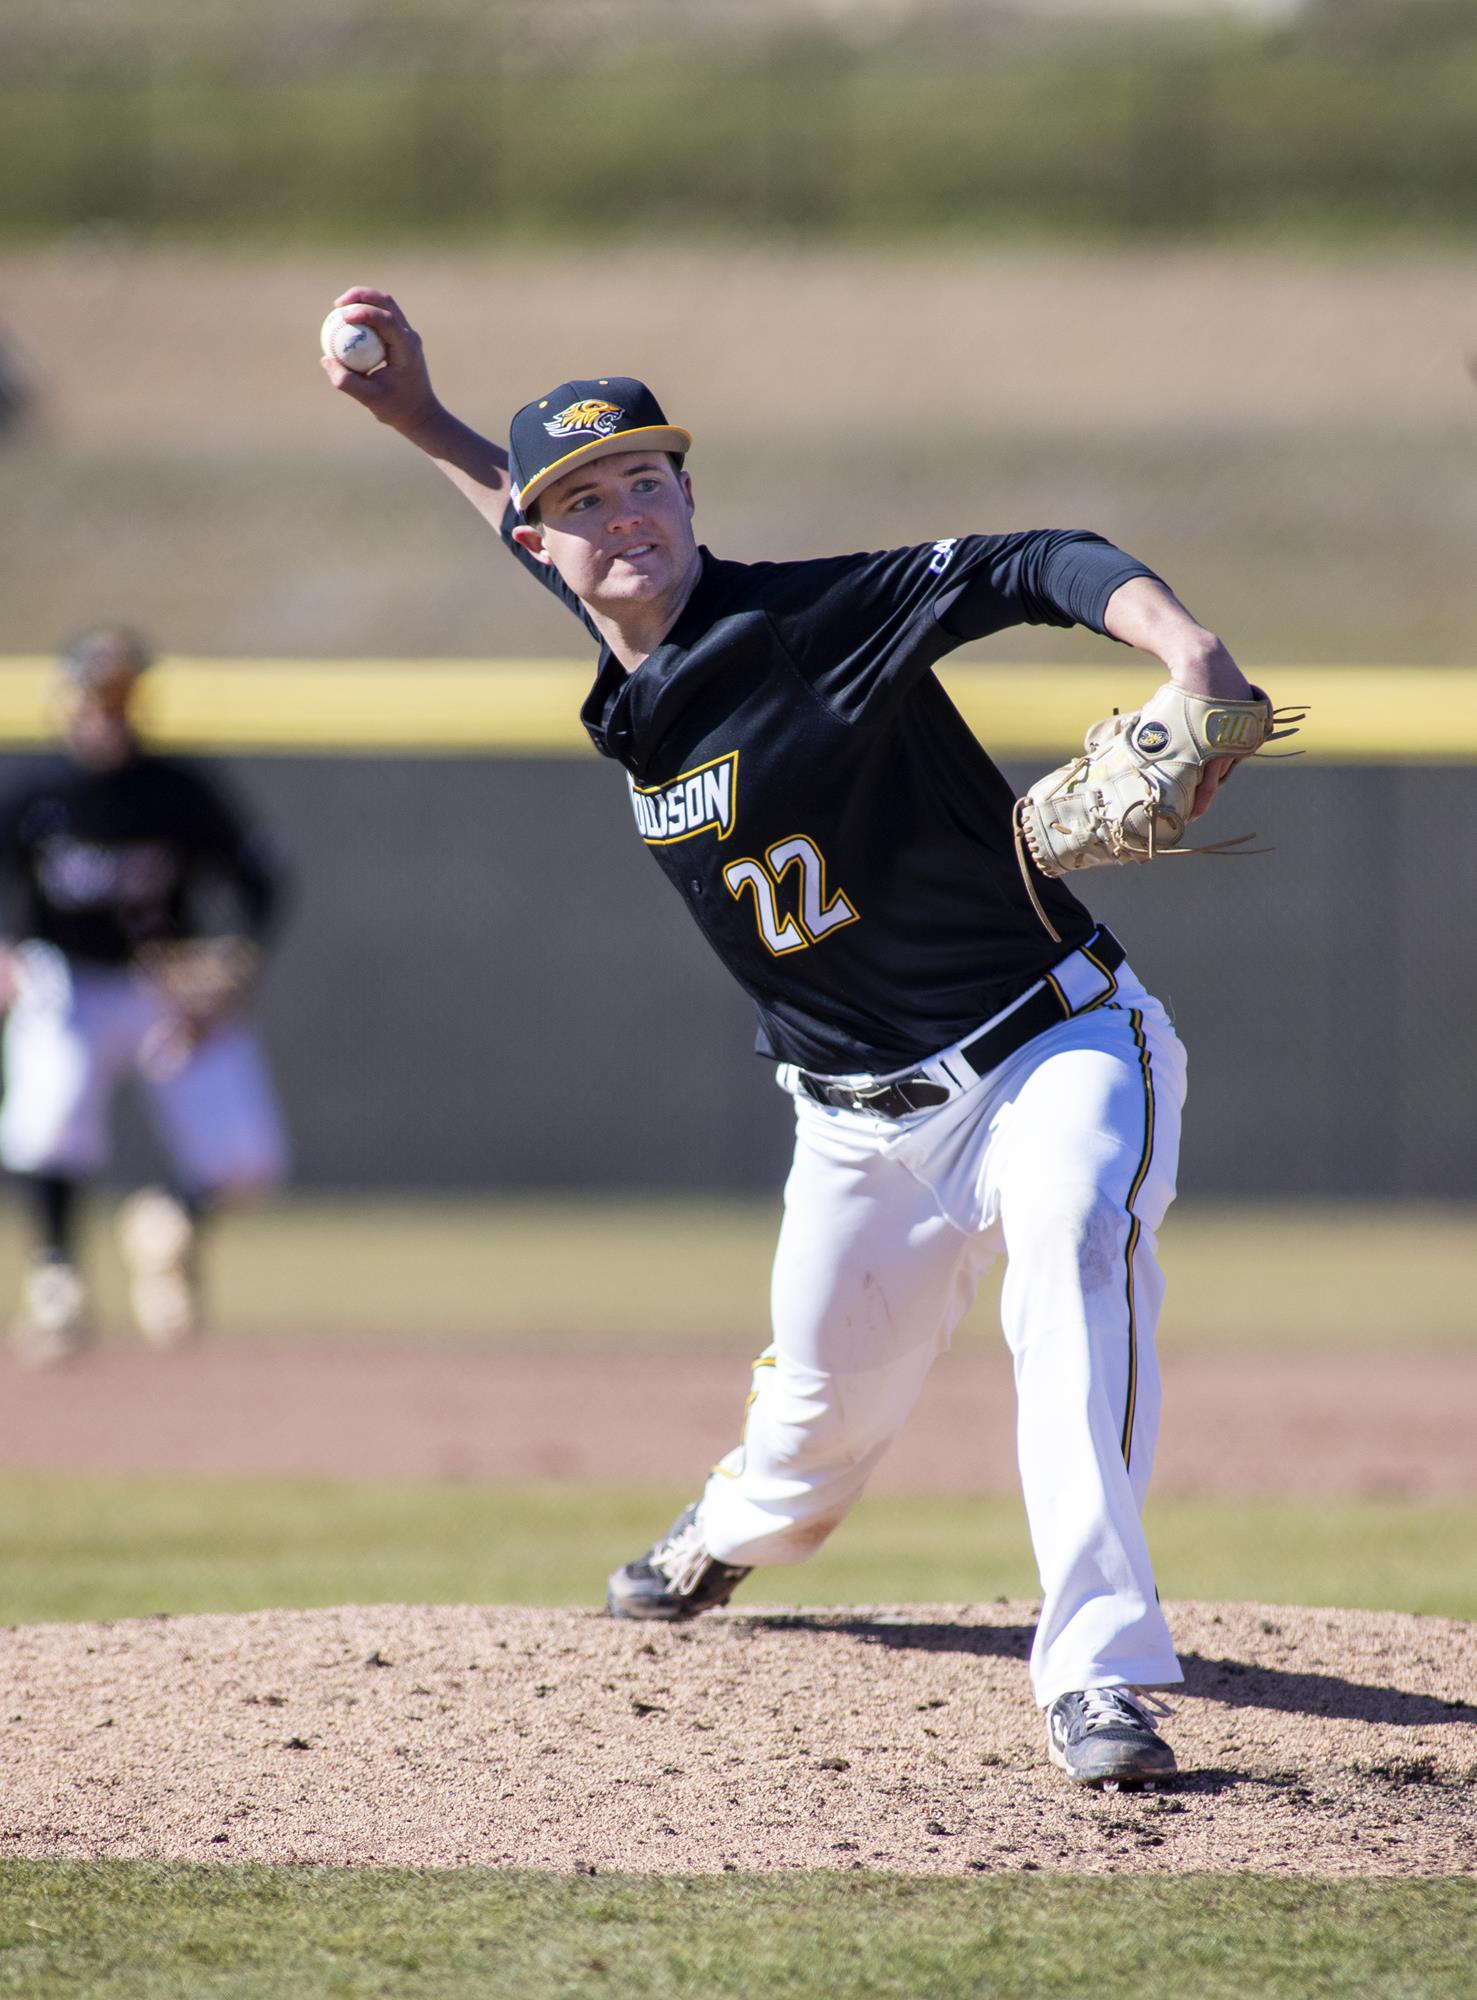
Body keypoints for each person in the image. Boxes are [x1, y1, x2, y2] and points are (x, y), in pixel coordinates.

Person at [323, 286, 1267, 1791]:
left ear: (689, 495)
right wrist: (418, 417)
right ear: (543, 543)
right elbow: (536, 527)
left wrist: (1186, 649)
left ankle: (1095, 1672)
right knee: (813, 1431)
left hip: (1052, 1049)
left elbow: (1030, 560)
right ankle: (726, 1533)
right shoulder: (629, 647)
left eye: (646, 479)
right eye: (585, 500)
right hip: (853, 1122)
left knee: (1075, 1253)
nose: (624, 516)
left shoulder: (805, 624)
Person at [0, 626, 289, 1364]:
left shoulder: (177, 791)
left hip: (168, 987)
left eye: (122, 695)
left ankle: (169, 1221)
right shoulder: (36, 794)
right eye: (96, 695)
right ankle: (57, 1279)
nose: (109, 711)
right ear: (66, 702)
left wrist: (237, 961)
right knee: (49, 1123)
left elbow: (262, 881)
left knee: (247, 1159)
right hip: (66, 980)